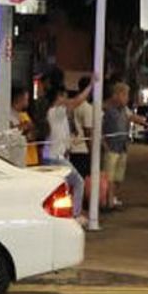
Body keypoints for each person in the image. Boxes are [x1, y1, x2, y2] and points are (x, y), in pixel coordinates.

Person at [44, 79, 95, 222]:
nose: (66, 99)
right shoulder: (56, 111)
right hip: (55, 157)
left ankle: (63, 213)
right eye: (64, 96)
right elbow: (76, 101)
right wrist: (91, 85)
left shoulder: (56, 113)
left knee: (62, 186)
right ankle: (75, 214)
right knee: (78, 182)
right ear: (58, 97)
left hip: (53, 156)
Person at [102, 82, 145, 210]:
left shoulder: (125, 110)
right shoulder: (106, 109)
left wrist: (145, 121)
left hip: (122, 148)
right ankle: (108, 201)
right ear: (116, 95)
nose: (127, 98)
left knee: (118, 177)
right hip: (111, 148)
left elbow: (133, 117)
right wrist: (104, 145)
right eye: (124, 95)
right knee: (109, 176)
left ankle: (112, 198)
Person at [70, 76, 94, 177]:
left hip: (71, 148)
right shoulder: (87, 108)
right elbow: (88, 131)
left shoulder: (72, 105)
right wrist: (92, 152)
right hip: (82, 149)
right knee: (81, 180)